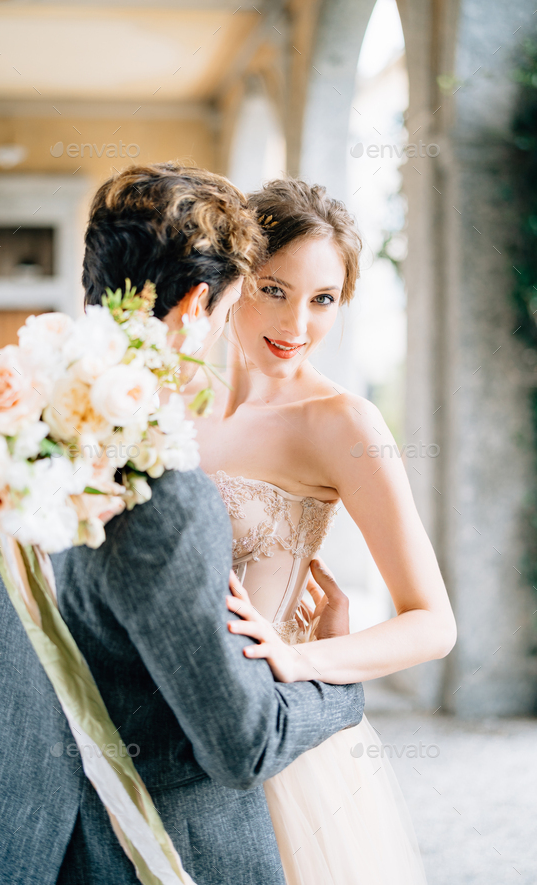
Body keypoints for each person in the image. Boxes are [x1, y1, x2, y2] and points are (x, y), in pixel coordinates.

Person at [0, 165, 364, 885]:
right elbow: (240, 744)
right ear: (201, 302)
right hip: (152, 852)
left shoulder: (0, 427)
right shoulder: (165, 492)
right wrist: (341, 683)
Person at [187, 178, 457, 885]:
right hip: (163, 731)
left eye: (323, 299)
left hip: (280, 750)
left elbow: (434, 622)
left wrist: (303, 658)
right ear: (236, 274)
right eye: (274, 289)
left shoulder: (343, 424)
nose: (297, 323)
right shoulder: (175, 398)